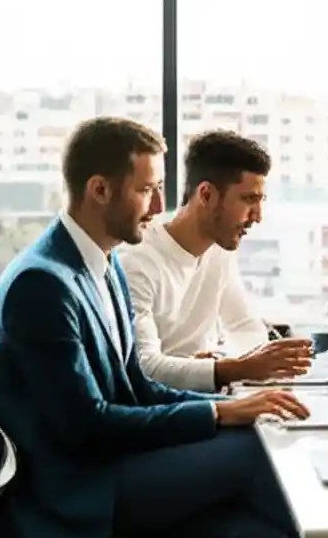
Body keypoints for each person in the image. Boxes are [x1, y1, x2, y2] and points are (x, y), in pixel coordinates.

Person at [0, 117, 328, 538]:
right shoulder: (43, 284)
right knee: (256, 453)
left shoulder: (103, 262)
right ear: (99, 189)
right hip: (74, 490)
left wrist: (231, 406)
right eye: (148, 190)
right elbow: (88, 427)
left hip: (109, 466)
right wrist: (220, 416)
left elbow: (137, 386)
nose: (158, 206)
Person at [119, 130, 313, 392]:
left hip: (207, 396)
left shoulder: (218, 248)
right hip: (164, 413)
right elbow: (146, 368)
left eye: (260, 200)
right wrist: (229, 369)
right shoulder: (137, 261)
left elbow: (245, 326)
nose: (257, 217)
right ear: (207, 195)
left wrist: (219, 363)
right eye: (248, 199)